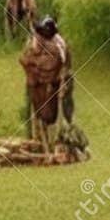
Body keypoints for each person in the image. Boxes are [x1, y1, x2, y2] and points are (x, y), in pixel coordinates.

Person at [20, 14, 72, 154]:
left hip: (55, 84)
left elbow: (60, 63)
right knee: (38, 112)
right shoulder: (36, 43)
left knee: (54, 114)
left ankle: (56, 143)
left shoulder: (57, 45)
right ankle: (41, 143)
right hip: (40, 84)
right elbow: (26, 59)